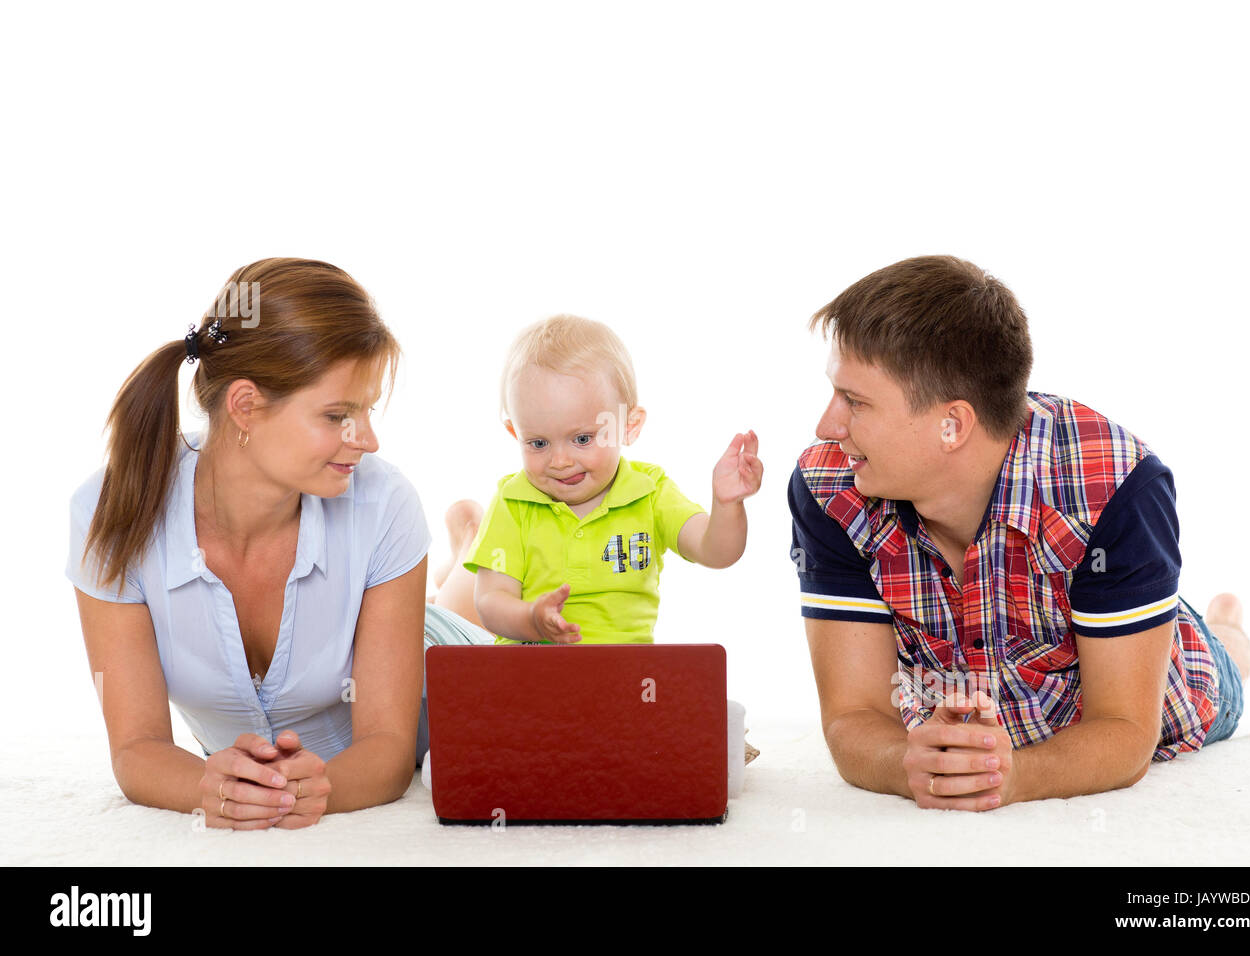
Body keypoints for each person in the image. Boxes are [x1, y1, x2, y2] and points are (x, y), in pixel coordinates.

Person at [790, 255, 1250, 811]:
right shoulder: (828, 487)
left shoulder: (1117, 483)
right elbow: (854, 715)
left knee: (1220, 661)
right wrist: (902, 764)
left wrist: (1014, 779)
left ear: (952, 425)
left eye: (855, 402)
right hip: (983, 691)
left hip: (1173, 684)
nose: (827, 425)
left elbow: (1127, 731)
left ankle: (1224, 629)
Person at [67, 258, 431, 830]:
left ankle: (460, 569)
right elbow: (135, 747)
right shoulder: (109, 514)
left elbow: (388, 749)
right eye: (338, 415)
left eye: (365, 411)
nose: (367, 439)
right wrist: (210, 787)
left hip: (441, 652)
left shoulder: (386, 505)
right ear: (245, 406)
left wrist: (322, 789)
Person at [418, 314, 763, 768]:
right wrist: (531, 620)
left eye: (582, 438)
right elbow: (491, 604)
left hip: (622, 682)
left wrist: (727, 505)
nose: (559, 461)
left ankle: (466, 540)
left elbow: (717, 551)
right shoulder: (515, 499)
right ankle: (468, 536)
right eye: (537, 443)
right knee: (463, 754)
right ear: (514, 433)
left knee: (688, 742)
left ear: (630, 426)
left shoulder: (651, 491)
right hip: (528, 678)